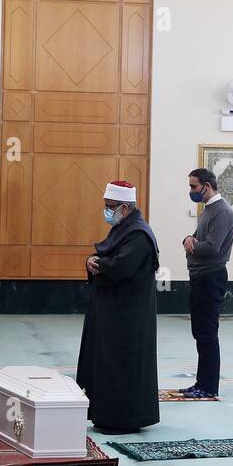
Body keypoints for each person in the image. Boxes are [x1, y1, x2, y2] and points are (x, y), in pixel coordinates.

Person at [76, 181, 160, 435]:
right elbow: (106, 255)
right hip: (112, 311)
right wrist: (91, 261)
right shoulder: (124, 229)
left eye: (110, 207)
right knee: (103, 363)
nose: (107, 212)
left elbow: (121, 267)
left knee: (120, 365)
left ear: (125, 208)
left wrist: (97, 263)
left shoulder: (139, 234)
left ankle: (121, 419)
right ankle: (104, 414)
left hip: (127, 317)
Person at [179, 167, 233, 398]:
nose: (191, 191)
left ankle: (209, 387)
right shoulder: (207, 211)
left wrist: (192, 246)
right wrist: (187, 239)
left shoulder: (222, 211)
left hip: (211, 278)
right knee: (199, 333)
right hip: (199, 277)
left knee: (207, 334)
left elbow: (212, 247)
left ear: (207, 186)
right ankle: (200, 382)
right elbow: (193, 238)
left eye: (193, 186)